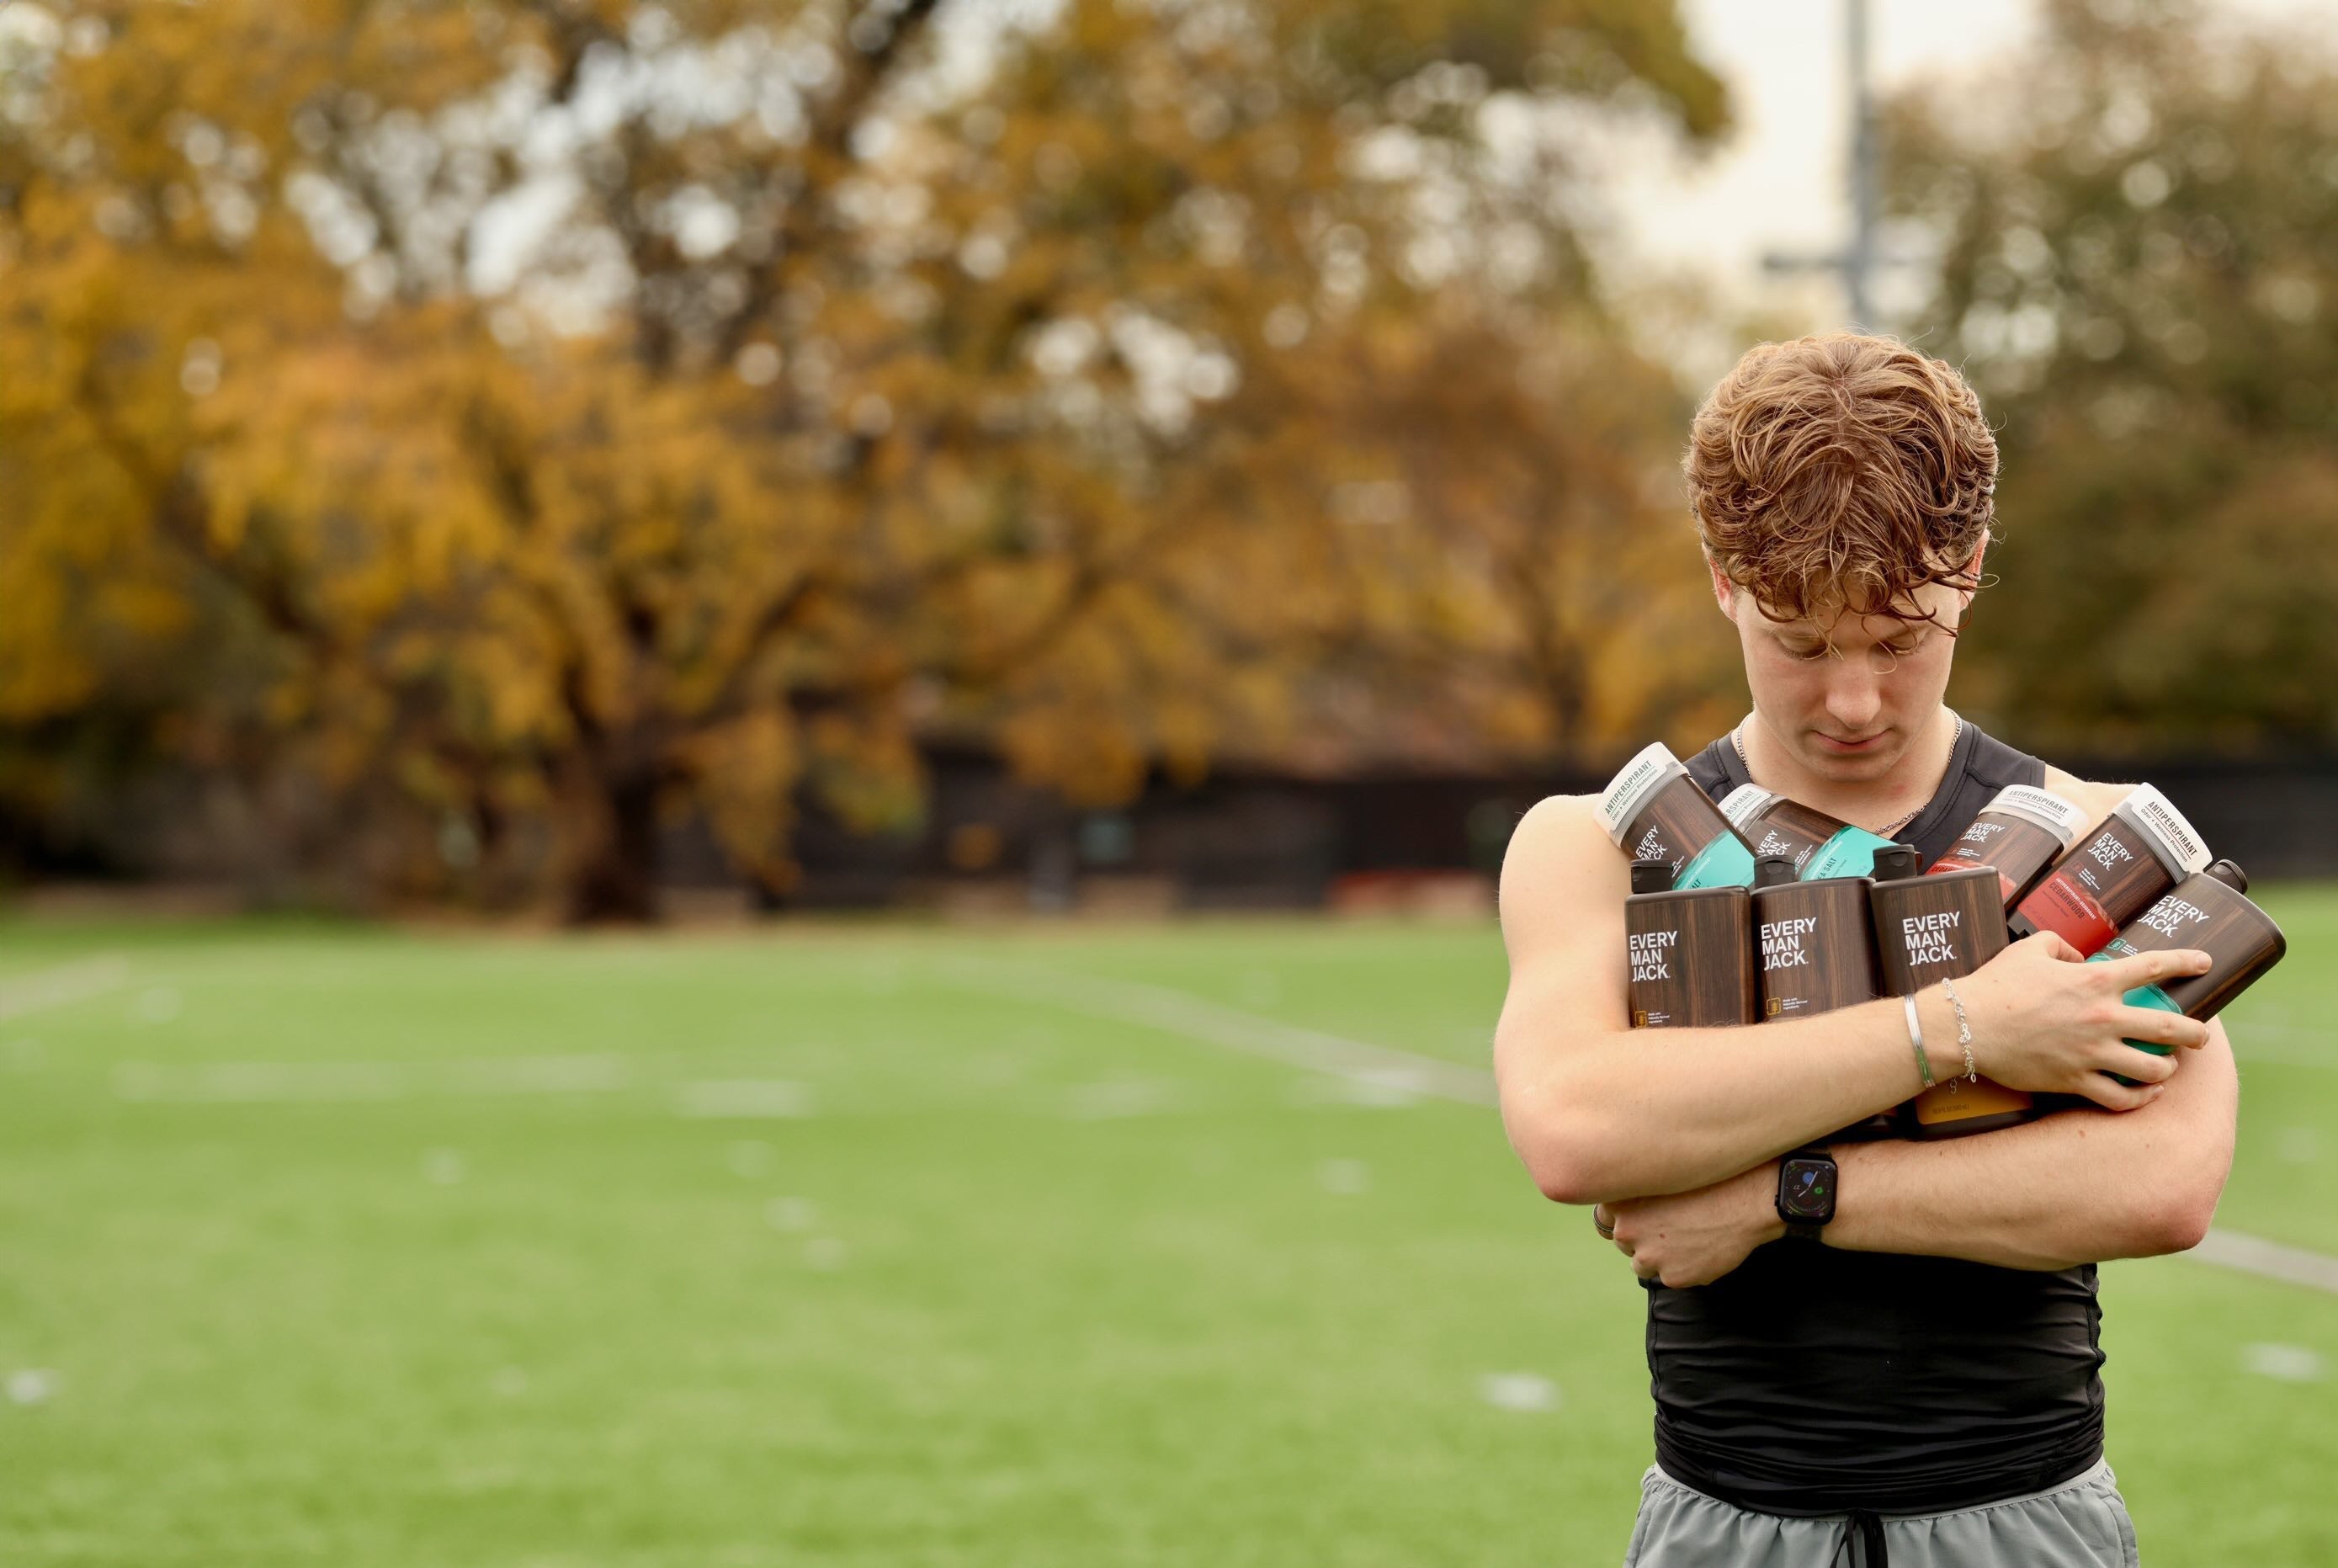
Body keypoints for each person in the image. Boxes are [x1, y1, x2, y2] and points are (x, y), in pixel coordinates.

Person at [1491, 333, 2235, 1567]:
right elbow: (1575, 1127)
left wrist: (1784, 1197)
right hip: (1722, 1522)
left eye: (1898, 640)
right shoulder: (1594, 845)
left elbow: (2161, 1183)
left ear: (1970, 568)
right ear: (1722, 577)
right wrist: (1959, 1032)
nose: (1850, 701)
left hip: (2021, 1517)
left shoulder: (2102, 838)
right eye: (1799, 641)